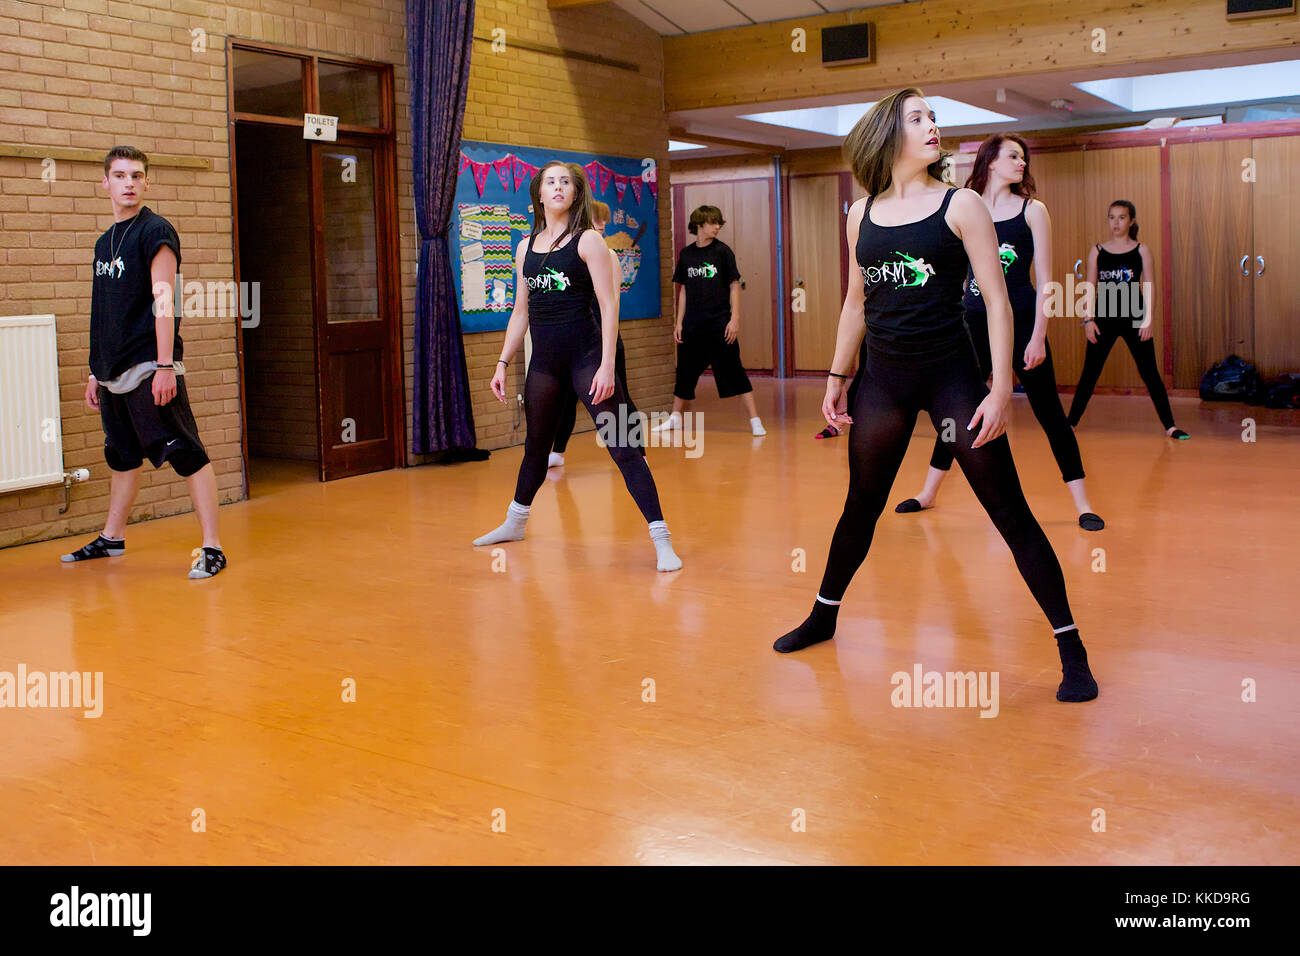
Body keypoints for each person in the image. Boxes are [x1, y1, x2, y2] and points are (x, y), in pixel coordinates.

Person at [773, 90, 1098, 704]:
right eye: (917, 118)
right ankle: (824, 614)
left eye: (933, 117)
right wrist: (837, 379)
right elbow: (855, 304)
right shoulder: (859, 215)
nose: (933, 127)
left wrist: (1001, 387)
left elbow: (999, 301)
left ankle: (1071, 647)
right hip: (884, 384)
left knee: (1010, 513)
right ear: (886, 137)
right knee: (860, 506)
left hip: (953, 380)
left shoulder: (961, 205)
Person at [473, 162, 681, 571]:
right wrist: (502, 362)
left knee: (623, 448)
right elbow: (520, 313)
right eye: (550, 182)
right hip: (545, 364)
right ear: (539, 193)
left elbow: (609, 304)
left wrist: (607, 366)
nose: (557, 187)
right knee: (535, 448)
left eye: (565, 182)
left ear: (575, 193)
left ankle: (662, 539)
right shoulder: (523, 247)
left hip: (587, 359)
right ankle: (515, 522)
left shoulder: (587, 242)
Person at [894, 134, 1104, 531]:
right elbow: (957, 274)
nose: (1022, 163)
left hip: (1022, 321)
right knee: (958, 411)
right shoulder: (963, 204)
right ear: (990, 161)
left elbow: (1046, 279)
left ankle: (1082, 504)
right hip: (972, 322)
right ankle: (928, 493)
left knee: (1050, 414)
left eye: (1023, 158)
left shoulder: (1032, 211)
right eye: (1013, 156)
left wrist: (1039, 335)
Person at [61, 146, 225, 579]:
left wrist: (165, 366)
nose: (128, 183)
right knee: (122, 456)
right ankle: (113, 537)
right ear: (106, 183)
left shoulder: (155, 231)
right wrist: (97, 370)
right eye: (119, 175)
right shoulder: (104, 243)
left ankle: (212, 546)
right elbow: (104, 310)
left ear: (147, 182)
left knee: (186, 453)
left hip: (150, 366)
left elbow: (164, 302)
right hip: (113, 372)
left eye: (136, 175)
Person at [1067, 200, 1189, 439]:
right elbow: (1090, 286)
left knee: (1150, 374)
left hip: (1135, 316)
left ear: (1131, 221)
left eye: (1121, 217)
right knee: (1090, 373)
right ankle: (1069, 424)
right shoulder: (1097, 251)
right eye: (1112, 217)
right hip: (1104, 317)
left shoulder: (1141, 250)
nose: (1116, 222)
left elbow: (1150, 286)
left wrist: (1148, 320)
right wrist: (1088, 320)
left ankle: (1170, 426)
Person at [653, 206, 765, 437]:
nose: (716, 227)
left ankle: (755, 420)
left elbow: (734, 285)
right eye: (712, 223)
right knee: (684, 372)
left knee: (735, 370)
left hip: (720, 324)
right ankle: (674, 418)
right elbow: (683, 290)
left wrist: (734, 319)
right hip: (693, 325)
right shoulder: (686, 254)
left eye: (718, 223)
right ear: (699, 224)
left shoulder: (723, 252)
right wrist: (679, 322)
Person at [548, 199, 642, 468]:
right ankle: (558, 451)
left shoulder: (608, 256)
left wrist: (607, 347)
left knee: (620, 398)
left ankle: (639, 453)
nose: (602, 226)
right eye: (596, 220)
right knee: (567, 399)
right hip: (576, 339)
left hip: (604, 338)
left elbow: (612, 304)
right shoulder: (571, 254)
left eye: (604, 221)